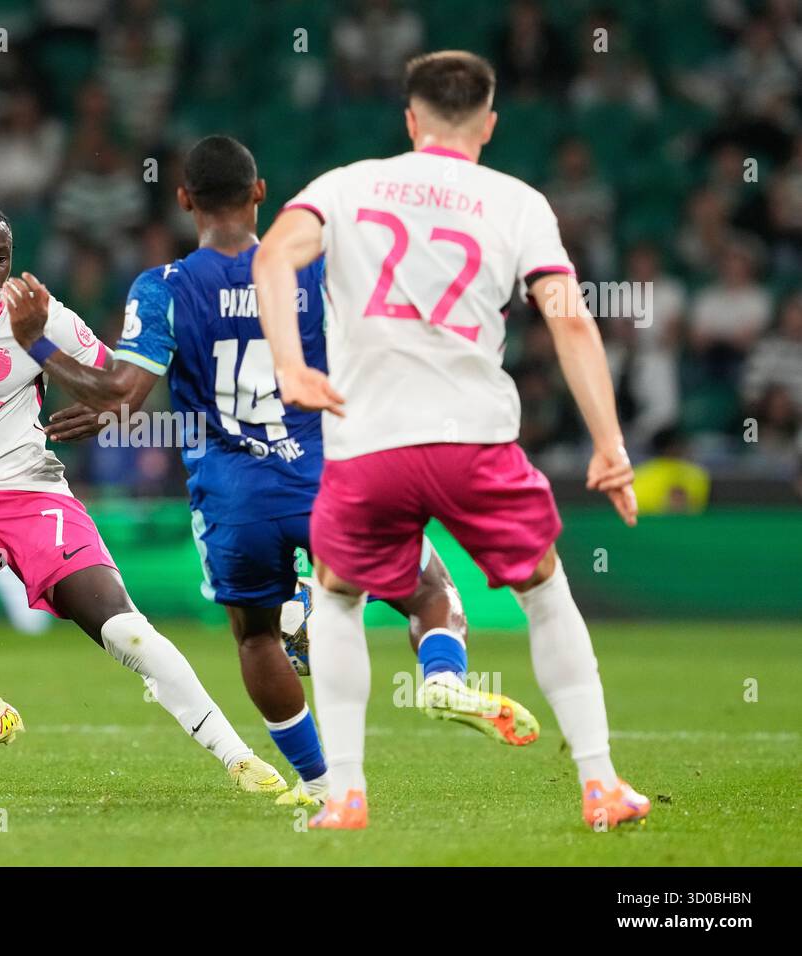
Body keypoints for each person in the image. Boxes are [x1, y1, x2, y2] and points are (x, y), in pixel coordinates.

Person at [43, 135, 539, 807]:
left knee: (255, 637)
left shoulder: (164, 286)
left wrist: (33, 339)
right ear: (260, 194)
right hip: (325, 477)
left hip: (230, 496)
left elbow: (122, 392)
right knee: (427, 593)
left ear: (184, 199)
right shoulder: (317, 270)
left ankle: (321, 782)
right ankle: (441, 675)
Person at [253, 50, 649, 830]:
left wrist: (293, 368)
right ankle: (601, 786)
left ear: (410, 118)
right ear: (490, 123)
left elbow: (271, 257)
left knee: (335, 602)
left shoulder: (344, 184)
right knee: (545, 593)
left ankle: (345, 795)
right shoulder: (519, 201)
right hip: (476, 441)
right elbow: (568, 316)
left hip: (368, 445)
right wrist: (609, 444)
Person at [0, 189, 285, 789]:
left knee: (124, 630)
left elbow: (118, 383)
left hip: (32, 499)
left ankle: (240, 759)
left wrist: (108, 412)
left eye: (1, 256)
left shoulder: (40, 316)